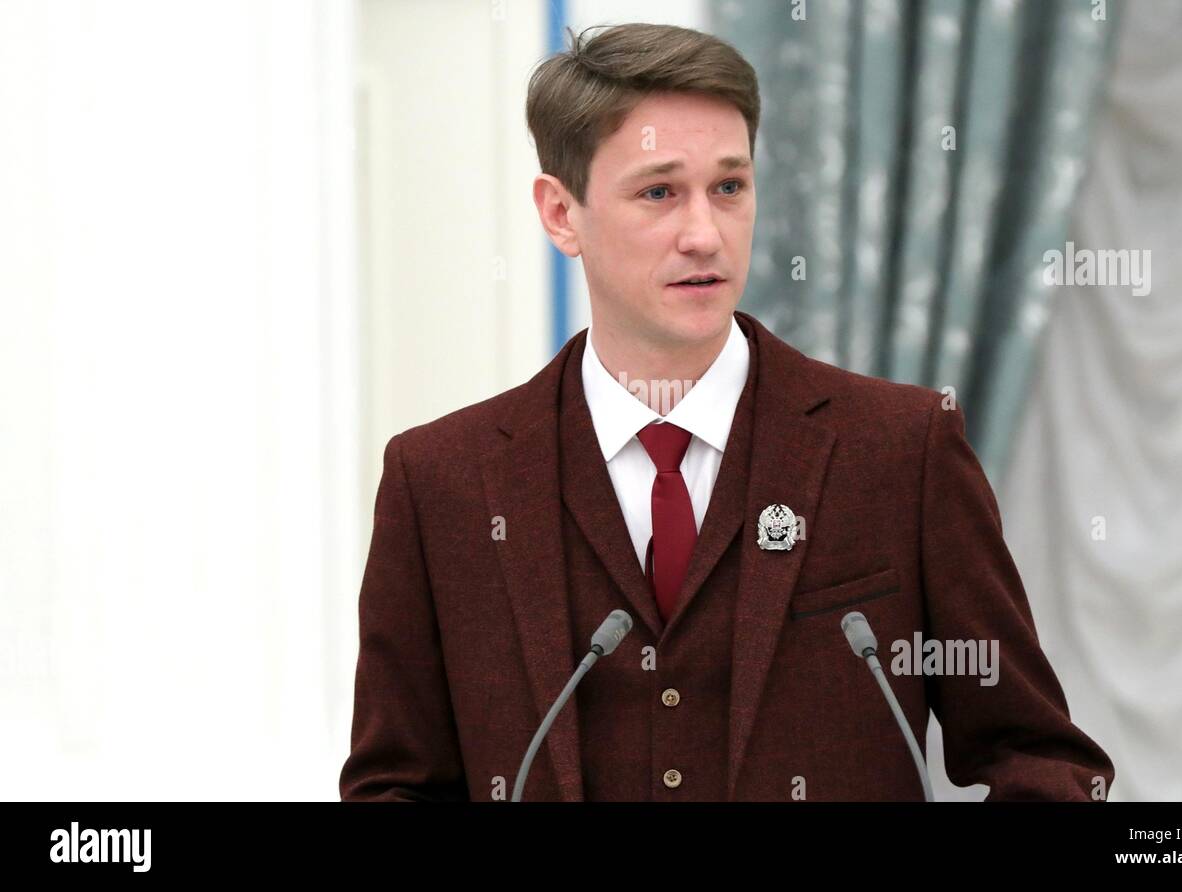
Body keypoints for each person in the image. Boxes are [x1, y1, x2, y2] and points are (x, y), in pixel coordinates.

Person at [339, 22, 1114, 801]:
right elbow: (393, 784)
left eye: (729, 187)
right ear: (560, 213)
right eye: (659, 192)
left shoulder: (899, 451)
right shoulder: (440, 484)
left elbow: (1038, 758)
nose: (705, 235)